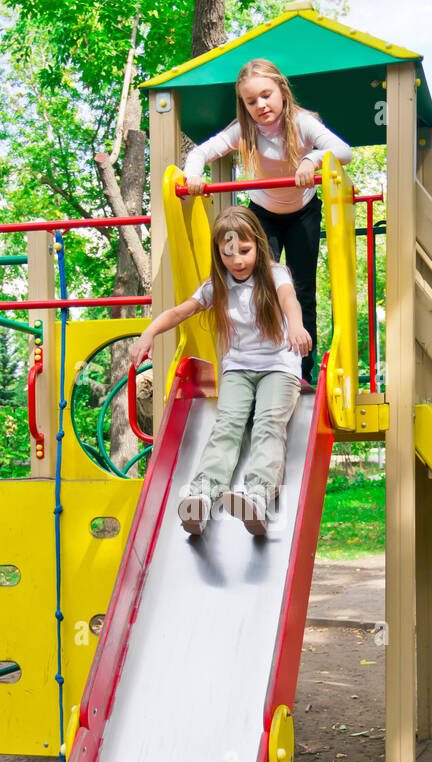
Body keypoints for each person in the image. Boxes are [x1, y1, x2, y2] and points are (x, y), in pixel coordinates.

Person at [128, 206, 311, 537]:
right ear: (219, 254)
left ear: (257, 244)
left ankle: (258, 496)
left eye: (244, 251)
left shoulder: (275, 274)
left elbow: (290, 302)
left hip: (278, 365)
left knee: (268, 424)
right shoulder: (217, 285)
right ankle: (201, 496)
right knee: (227, 426)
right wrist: (149, 332)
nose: (237, 261)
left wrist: (296, 326)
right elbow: (180, 311)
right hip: (239, 367)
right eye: (228, 254)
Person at [182, 57, 352, 383]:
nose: (260, 105)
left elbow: (342, 150)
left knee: (301, 291)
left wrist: (312, 159)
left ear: (282, 91)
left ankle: (302, 372)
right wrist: (194, 175)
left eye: (266, 95)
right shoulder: (243, 131)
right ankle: (265, 366)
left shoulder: (301, 123)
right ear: (243, 105)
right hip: (262, 217)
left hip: (303, 212)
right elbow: (199, 153)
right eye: (251, 101)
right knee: (262, 290)